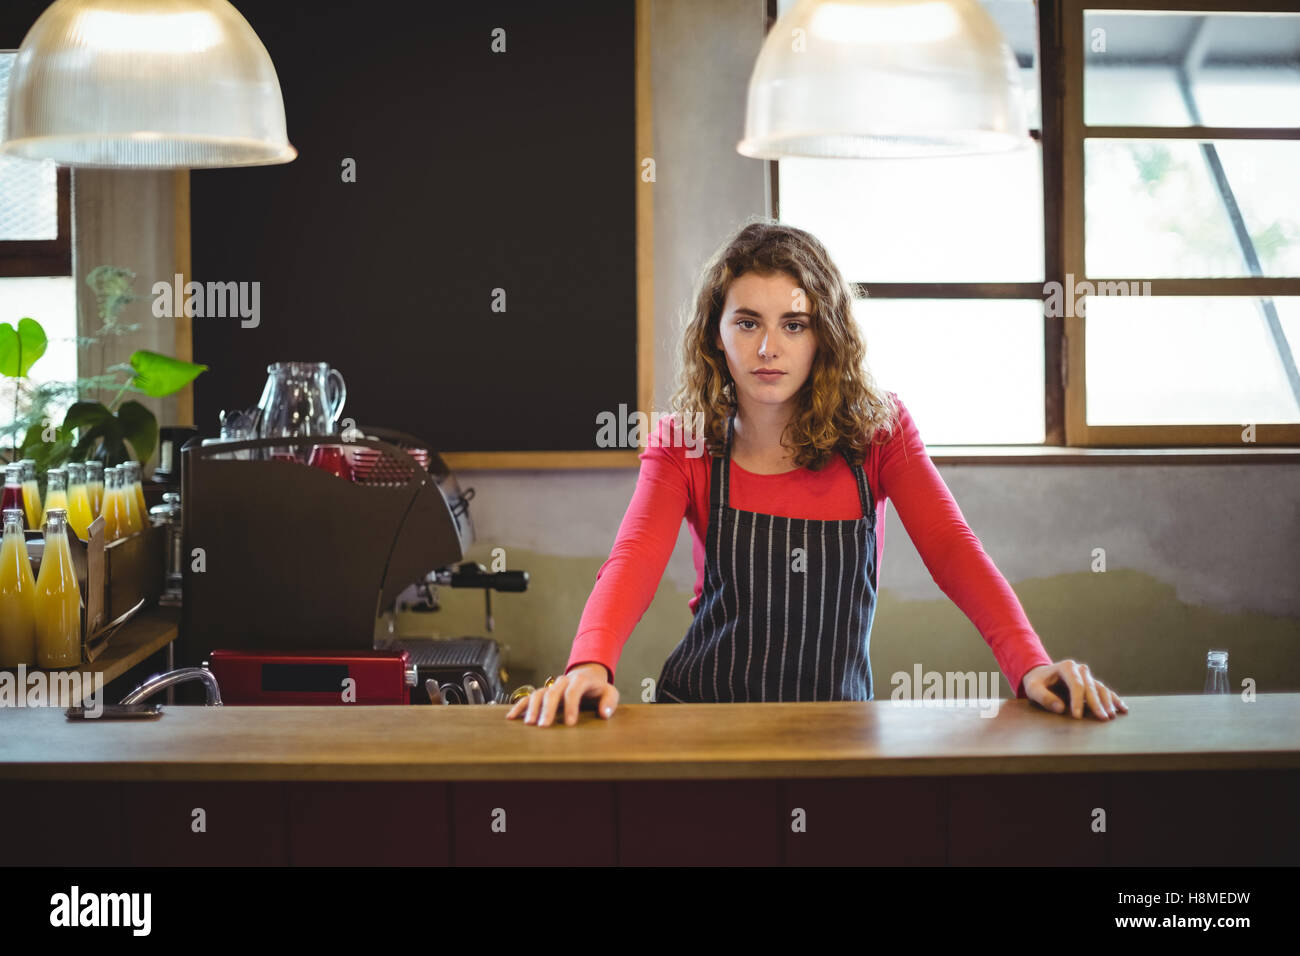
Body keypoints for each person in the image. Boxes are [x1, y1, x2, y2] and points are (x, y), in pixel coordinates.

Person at [507, 218, 1127, 727]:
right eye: (747, 322)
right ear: (715, 337)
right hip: (702, 723)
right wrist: (589, 665)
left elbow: (953, 549)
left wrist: (1031, 665)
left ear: (823, 335)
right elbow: (631, 561)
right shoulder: (683, 443)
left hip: (840, 729)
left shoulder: (880, 434)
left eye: (793, 324)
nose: (768, 348)